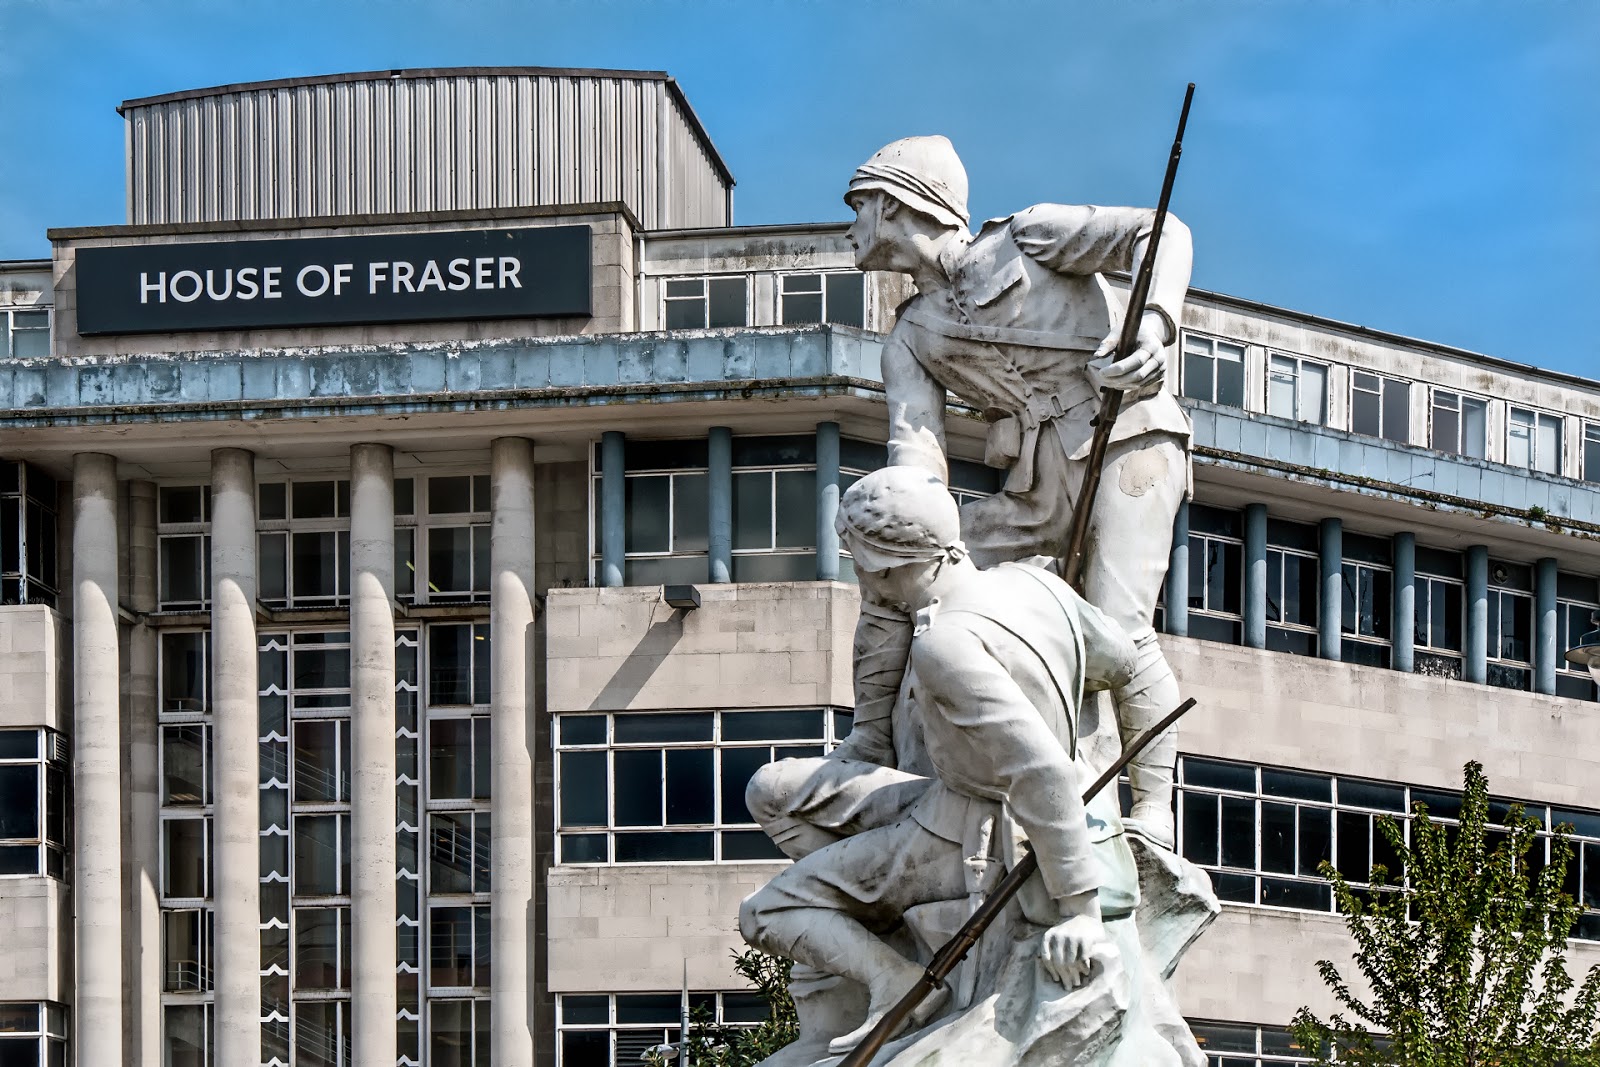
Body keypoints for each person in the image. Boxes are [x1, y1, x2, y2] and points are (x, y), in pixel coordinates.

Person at [839, 134, 1192, 846]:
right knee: (909, 581)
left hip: (1128, 436)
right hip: (1038, 478)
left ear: (898, 202)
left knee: (1119, 628)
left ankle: (1152, 807)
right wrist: (899, 527)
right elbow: (919, 457)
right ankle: (873, 744)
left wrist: (1154, 328)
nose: (851, 226)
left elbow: (1161, 233)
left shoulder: (1025, 238)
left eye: (860, 206)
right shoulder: (909, 337)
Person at [740, 466, 1147, 1054]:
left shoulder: (944, 644)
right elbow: (1120, 662)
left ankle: (892, 975)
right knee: (773, 788)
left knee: (769, 909)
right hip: (943, 799)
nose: (857, 573)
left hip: (968, 836)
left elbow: (1042, 771)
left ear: (881, 563)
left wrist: (1080, 911)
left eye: (854, 557)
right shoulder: (1037, 585)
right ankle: (862, 907)